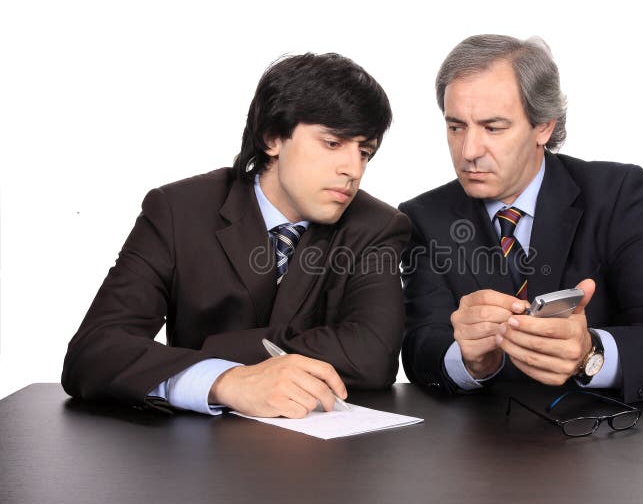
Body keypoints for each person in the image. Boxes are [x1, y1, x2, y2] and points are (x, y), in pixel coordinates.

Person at [62, 52, 411, 418]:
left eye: (365, 152)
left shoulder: (377, 226)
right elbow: (93, 351)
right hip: (191, 456)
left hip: (326, 457)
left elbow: (373, 355)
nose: (353, 169)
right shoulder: (178, 211)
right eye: (333, 143)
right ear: (272, 138)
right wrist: (224, 381)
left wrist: (209, 352)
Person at [399, 34, 643, 402]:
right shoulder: (423, 217)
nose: (469, 151)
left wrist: (589, 352)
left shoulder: (616, 194)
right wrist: (467, 359)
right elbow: (419, 350)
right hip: (478, 444)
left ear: (543, 126)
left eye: (493, 128)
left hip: (603, 444)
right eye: (455, 127)